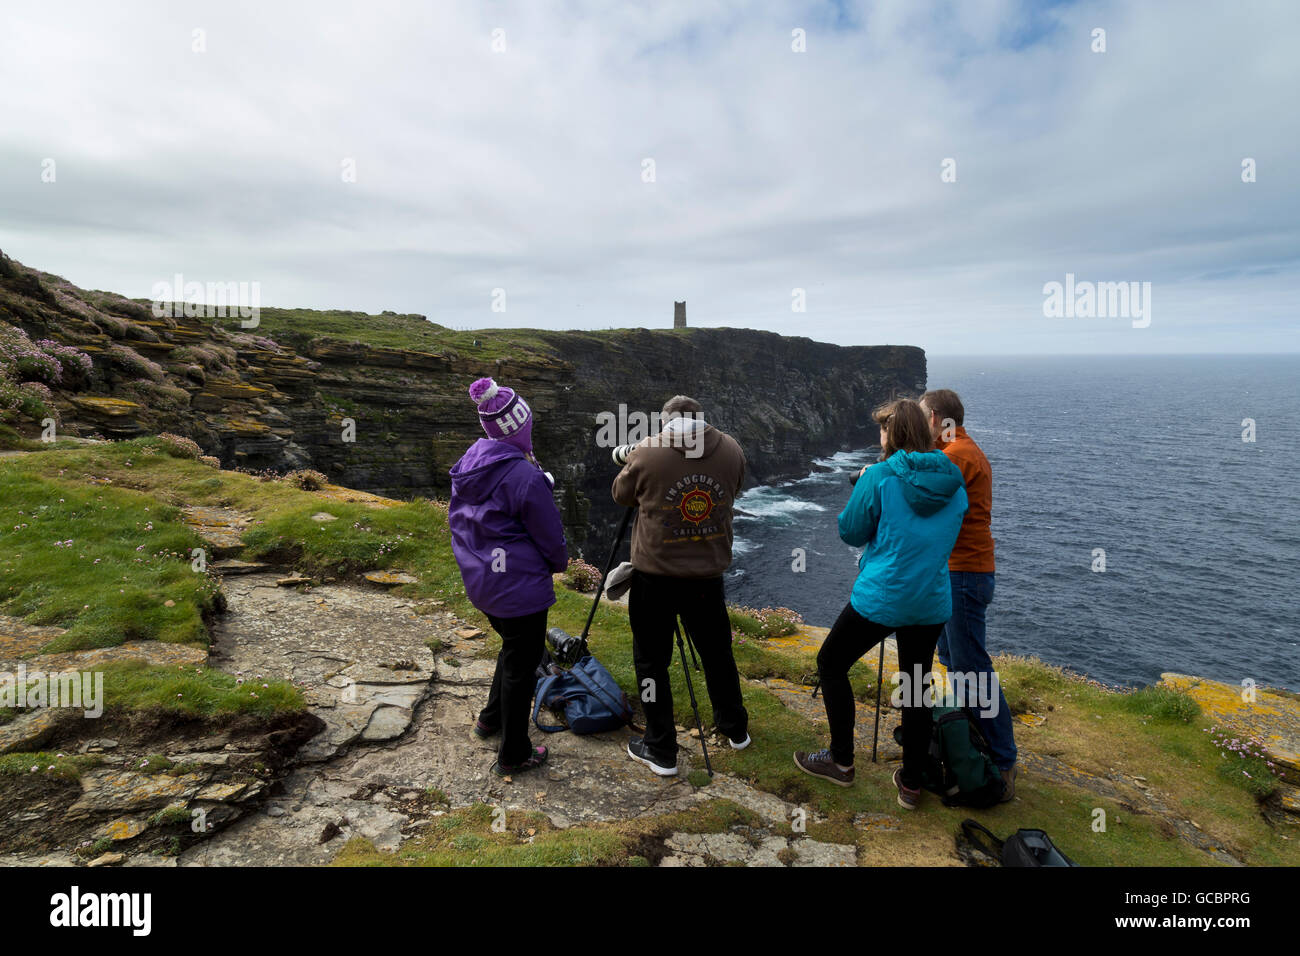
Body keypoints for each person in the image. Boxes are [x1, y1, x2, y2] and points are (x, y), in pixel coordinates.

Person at [795, 398, 967, 810]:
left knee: (832, 663)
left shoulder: (880, 477)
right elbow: (945, 536)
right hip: (929, 598)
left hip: (883, 595)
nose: (879, 435)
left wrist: (868, 491)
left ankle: (840, 761)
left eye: (882, 429)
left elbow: (851, 532)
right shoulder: (954, 480)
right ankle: (911, 783)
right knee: (914, 685)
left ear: (891, 434)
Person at [612, 395, 750, 777]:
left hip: (655, 576)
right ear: (700, 420)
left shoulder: (647, 452)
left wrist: (632, 461)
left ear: (665, 422)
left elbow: (621, 495)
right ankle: (735, 727)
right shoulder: (731, 449)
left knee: (651, 661)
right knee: (717, 653)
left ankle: (661, 748)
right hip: (707, 576)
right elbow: (735, 487)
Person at [449, 377, 567, 777]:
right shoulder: (524, 476)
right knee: (524, 662)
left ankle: (490, 719)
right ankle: (514, 753)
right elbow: (550, 536)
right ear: (521, 427)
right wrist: (557, 563)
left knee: (513, 649)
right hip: (518, 589)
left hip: (483, 582)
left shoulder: (470, 462)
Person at [919, 388, 1017, 800]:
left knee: (971, 666)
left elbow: (919, 495)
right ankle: (974, 737)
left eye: (921, 416)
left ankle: (1003, 758)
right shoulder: (959, 449)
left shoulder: (956, 454)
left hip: (964, 573)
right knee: (953, 659)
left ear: (937, 418)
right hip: (958, 571)